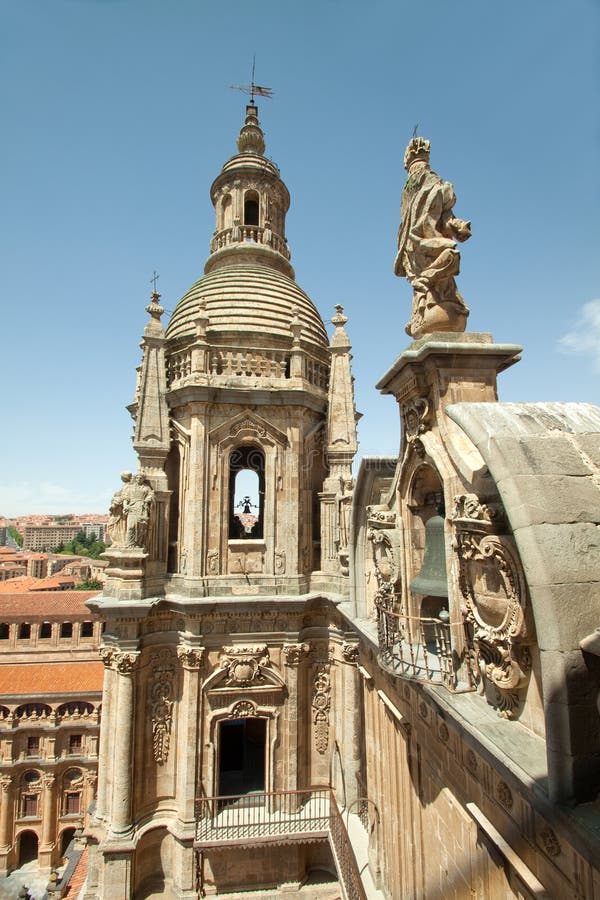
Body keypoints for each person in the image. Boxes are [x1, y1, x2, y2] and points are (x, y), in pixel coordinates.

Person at [394, 137, 471, 337]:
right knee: (429, 279)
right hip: (414, 245)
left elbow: (445, 216)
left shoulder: (435, 186)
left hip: (427, 241)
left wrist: (457, 226)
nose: (416, 173)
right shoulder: (409, 195)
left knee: (449, 256)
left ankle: (427, 299)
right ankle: (423, 306)